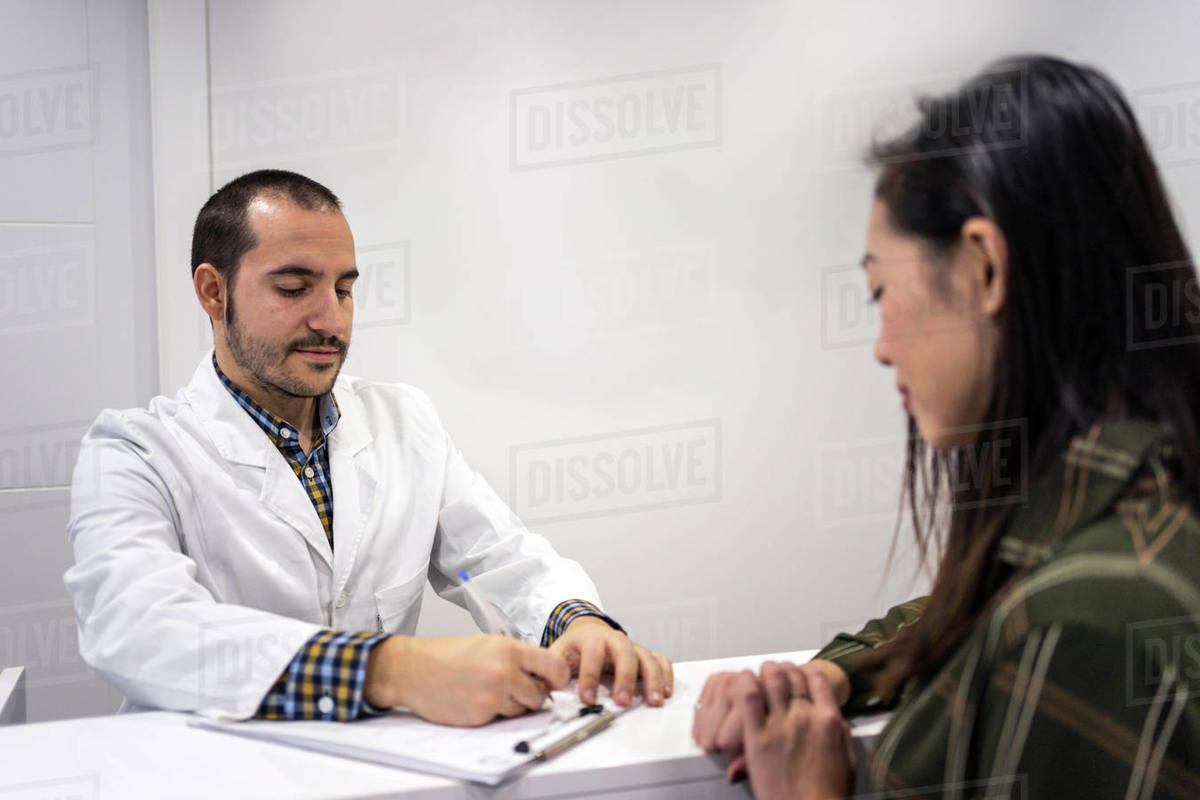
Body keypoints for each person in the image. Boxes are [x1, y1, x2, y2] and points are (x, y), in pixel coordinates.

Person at [693, 55, 1200, 798]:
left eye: (880, 293)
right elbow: (980, 600)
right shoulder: (1140, 504)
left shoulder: (1075, 631)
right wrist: (837, 670)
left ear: (984, 268)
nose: (880, 346)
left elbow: (1035, 615)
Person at [64, 170, 672, 725]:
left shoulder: (406, 421)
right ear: (213, 292)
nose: (331, 319)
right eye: (295, 288)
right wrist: (394, 669)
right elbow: (138, 627)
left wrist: (576, 621)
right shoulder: (133, 453)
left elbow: (493, 557)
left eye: (344, 289)